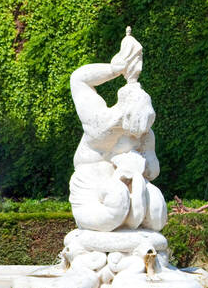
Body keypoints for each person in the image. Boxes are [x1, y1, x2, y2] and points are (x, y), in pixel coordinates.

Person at [67, 28, 167, 232]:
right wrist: (114, 68)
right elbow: (78, 79)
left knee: (156, 213)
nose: (139, 130)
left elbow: (153, 169)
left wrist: (139, 165)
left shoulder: (145, 135)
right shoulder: (99, 121)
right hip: (92, 190)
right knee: (117, 208)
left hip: (132, 191)